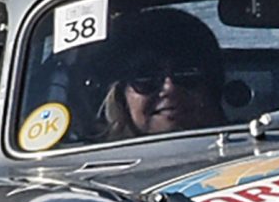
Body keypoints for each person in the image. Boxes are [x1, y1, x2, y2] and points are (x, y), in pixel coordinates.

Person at [95, 7, 227, 139]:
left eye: (186, 73)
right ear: (120, 96)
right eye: (146, 77)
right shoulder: (93, 158)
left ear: (212, 86)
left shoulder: (247, 149)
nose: (170, 88)